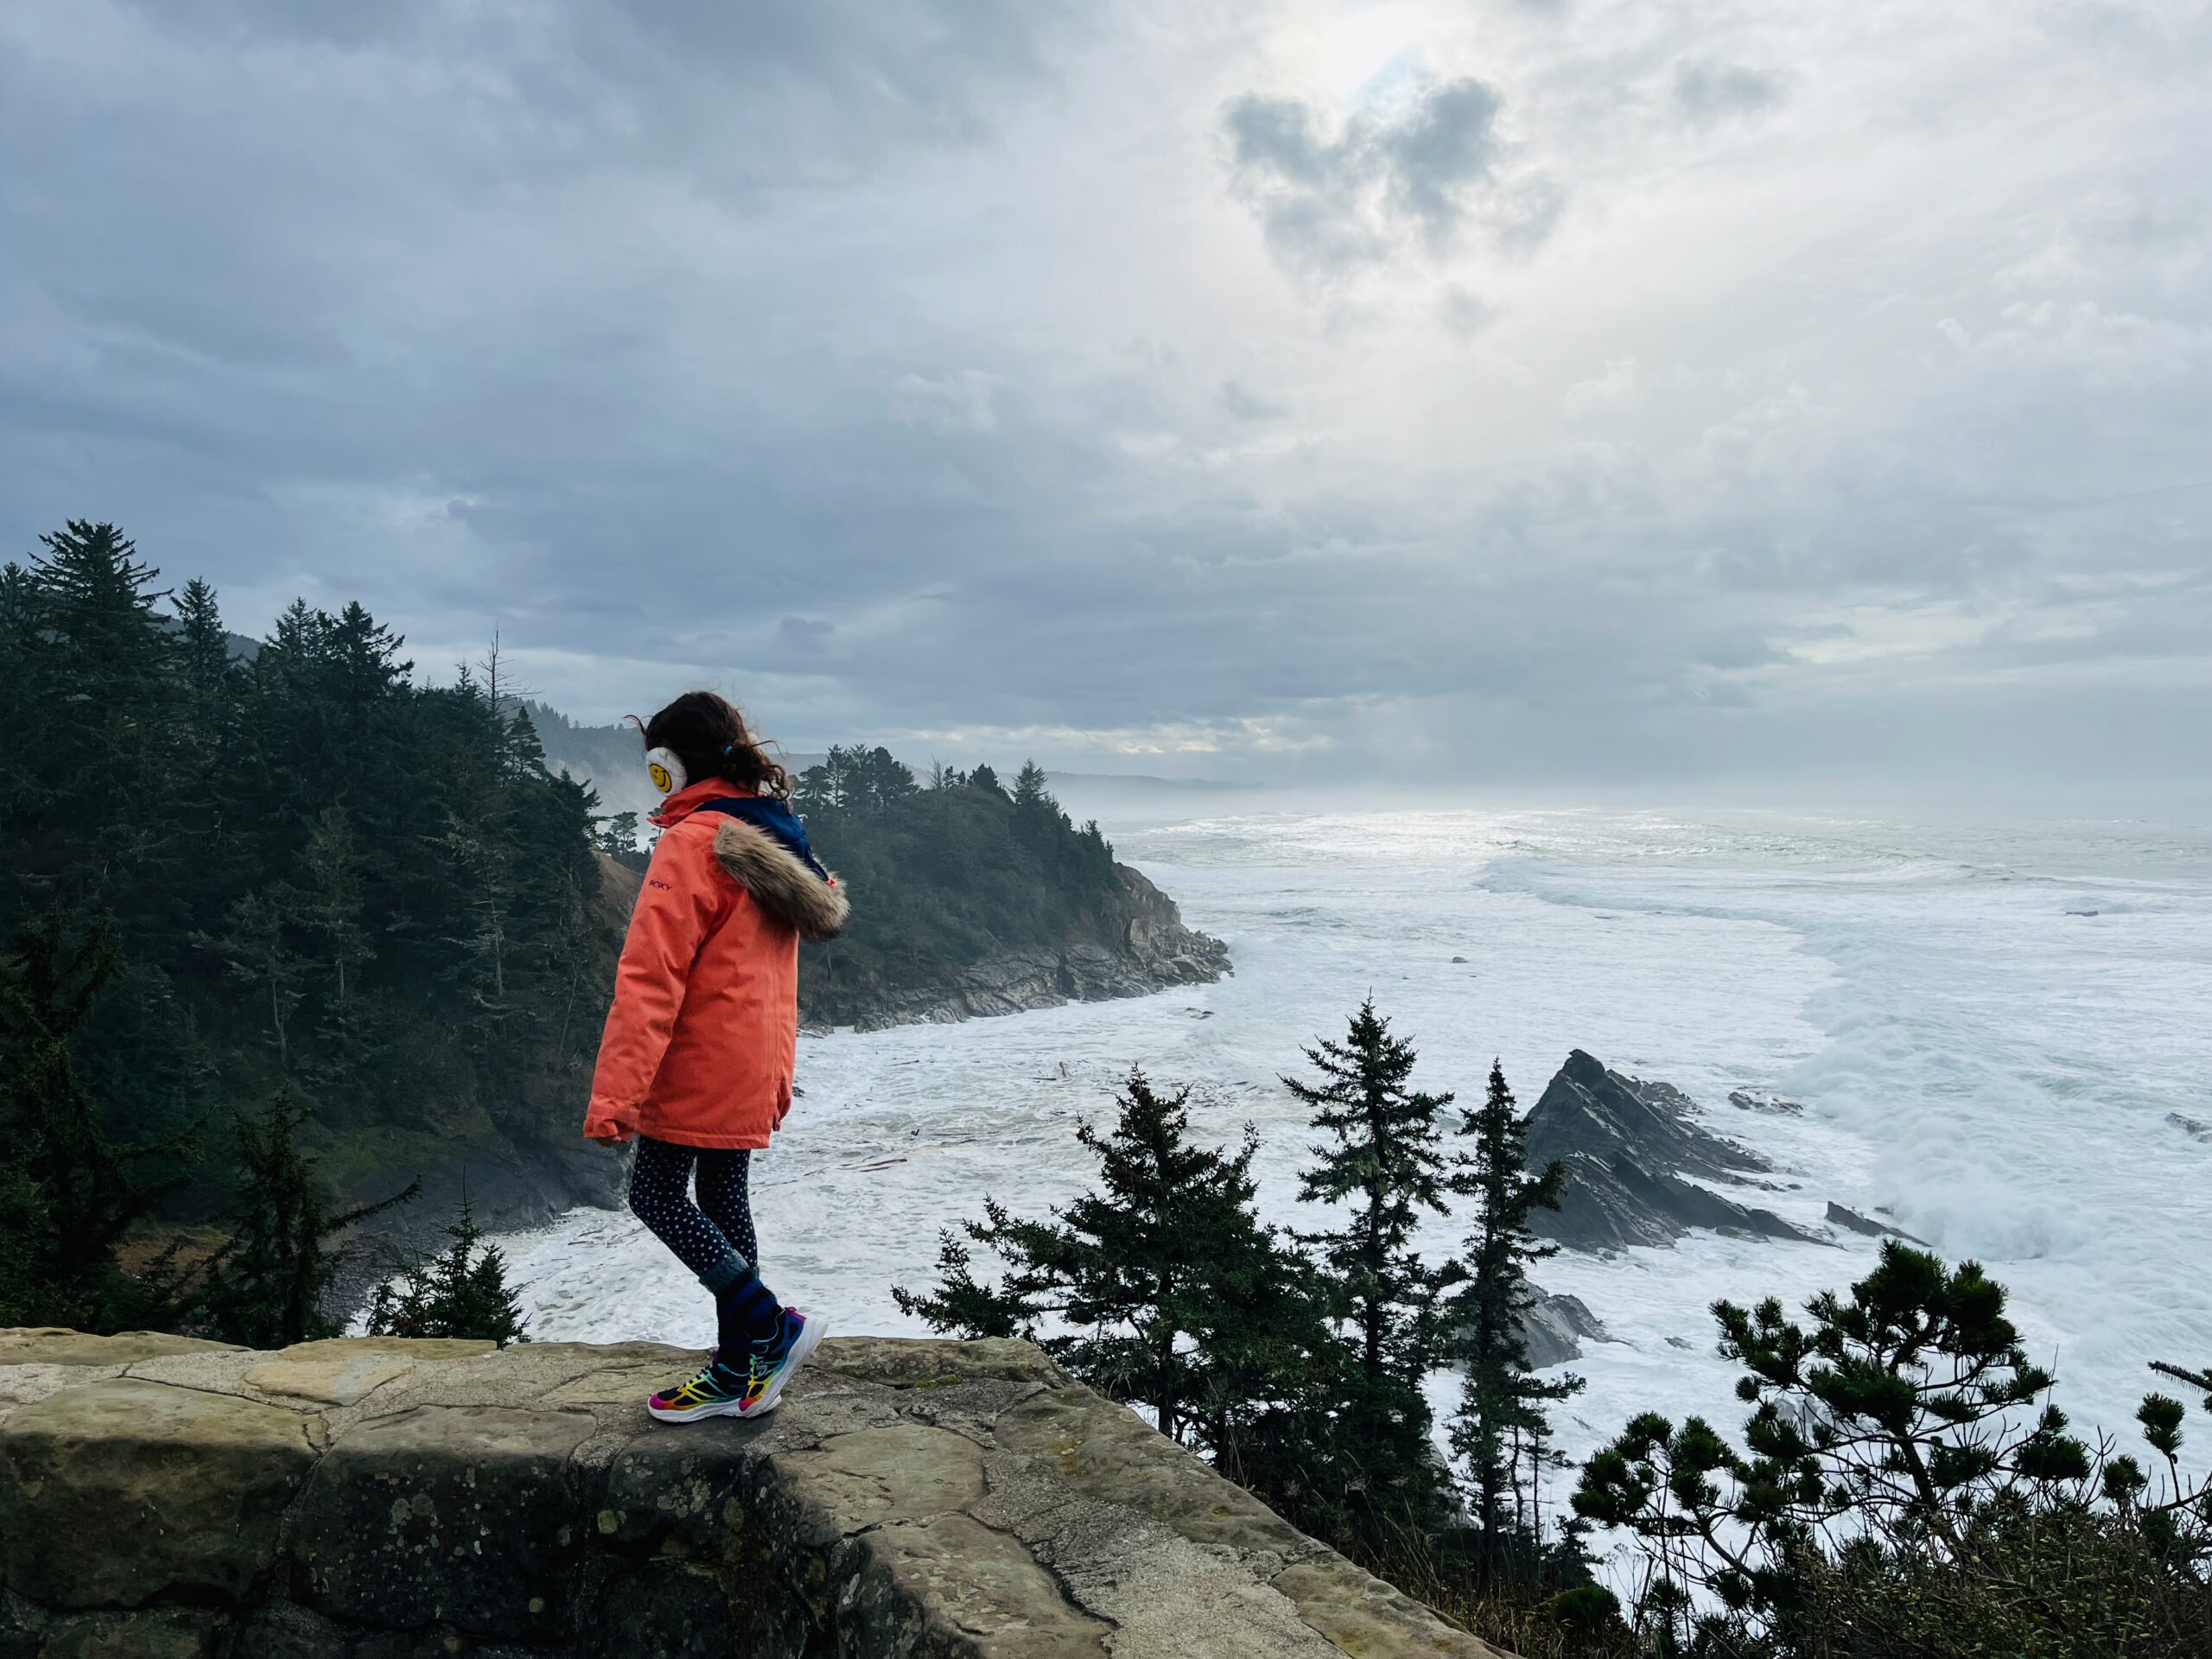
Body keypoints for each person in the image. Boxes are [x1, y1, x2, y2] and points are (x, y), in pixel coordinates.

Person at [582, 690, 849, 1421]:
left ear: (668, 766)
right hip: (757, 1056)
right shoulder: (775, 837)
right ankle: (744, 1371)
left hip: (698, 1057)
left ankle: (766, 1323)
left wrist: (616, 1096)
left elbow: (649, 977)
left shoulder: (693, 844)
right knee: (722, 1195)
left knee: (656, 1195)